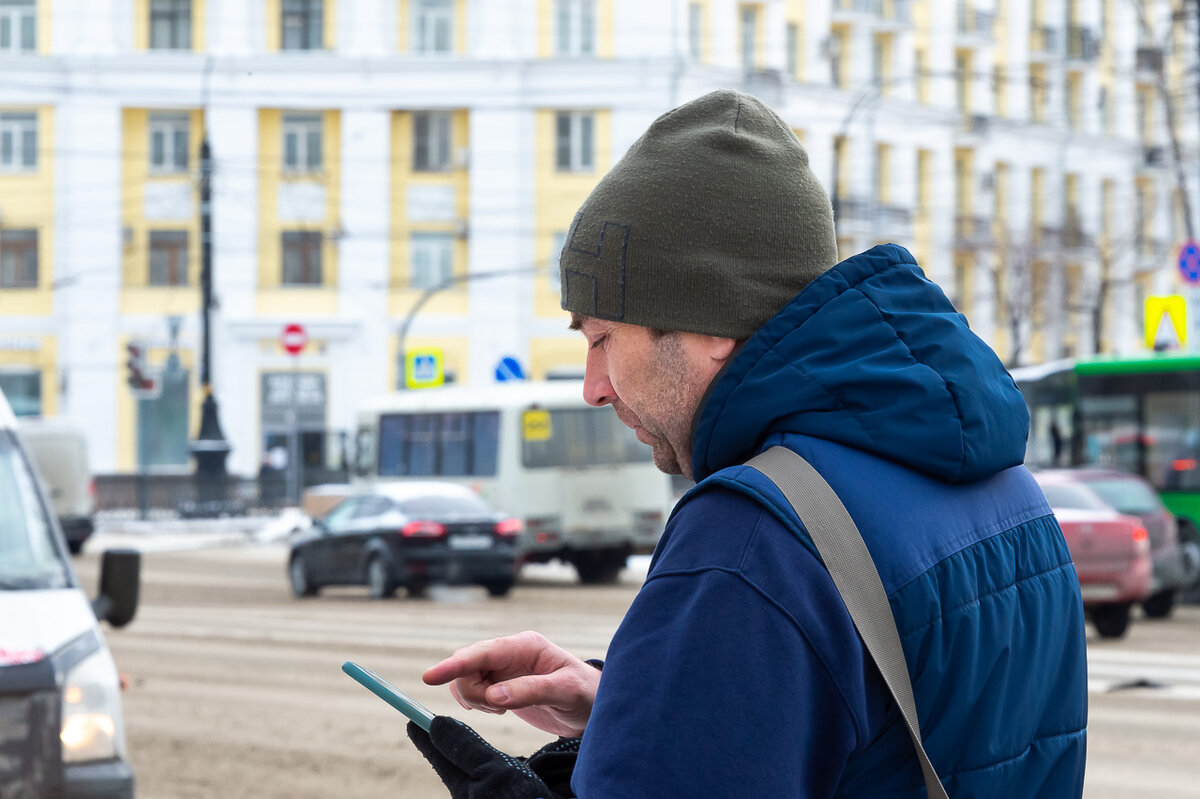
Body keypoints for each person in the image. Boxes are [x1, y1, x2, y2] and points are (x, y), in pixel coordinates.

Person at [407, 89, 1088, 798]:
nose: (593, 386)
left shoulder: (750, 539)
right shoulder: (1014, 498)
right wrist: (633, 704)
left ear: (711, 323)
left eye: (603, 338)